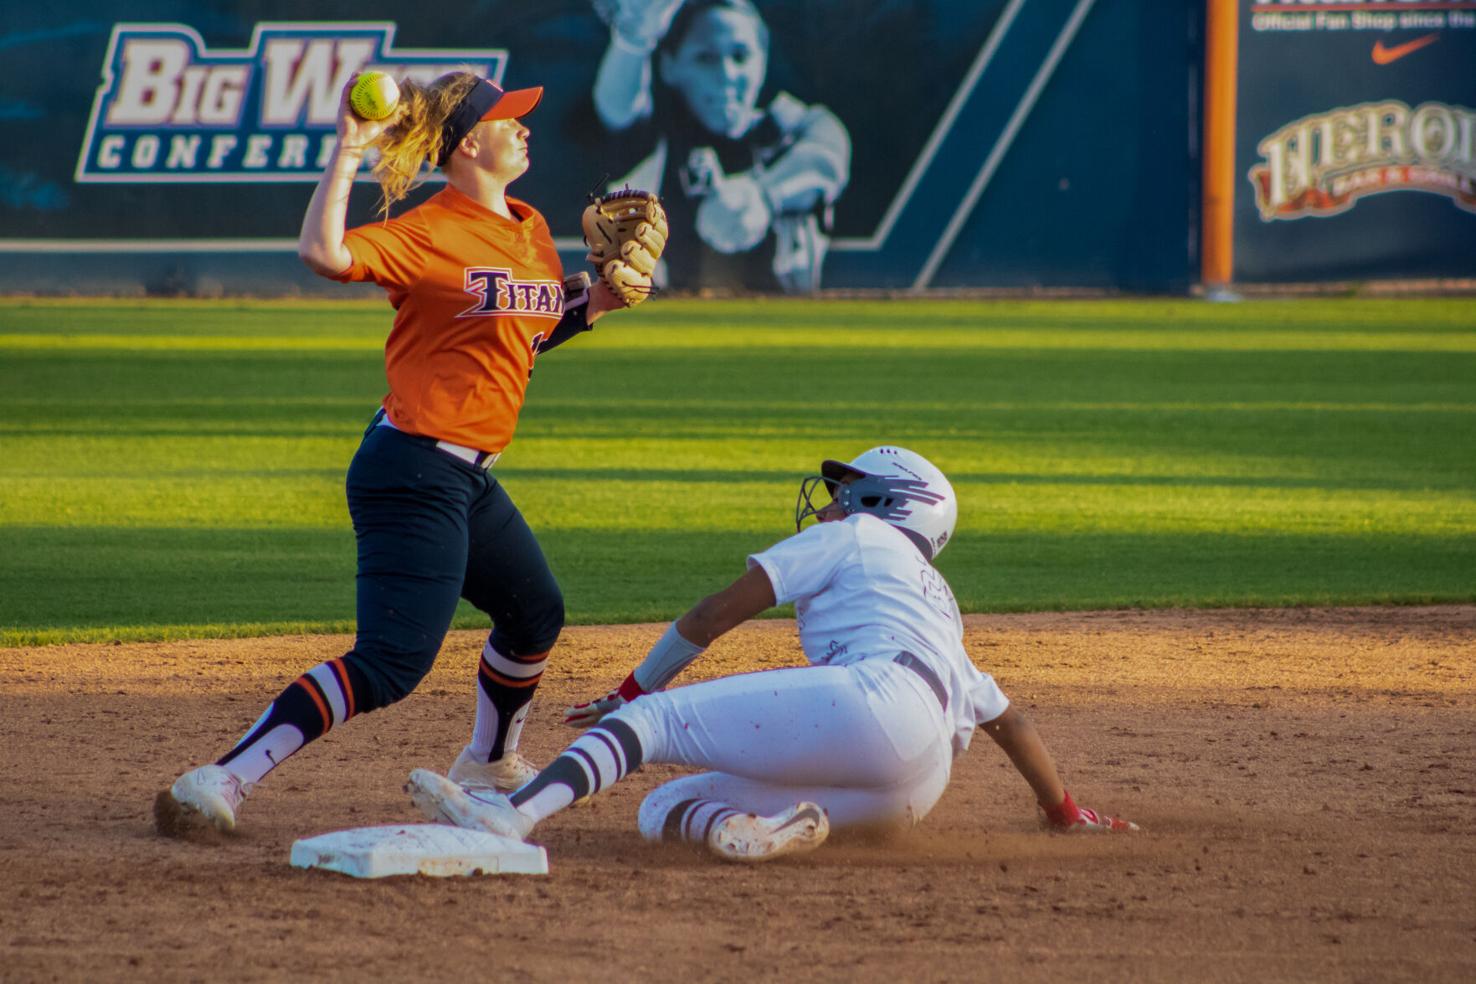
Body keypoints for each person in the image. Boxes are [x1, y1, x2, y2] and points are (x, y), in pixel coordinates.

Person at [155, 70, 636, 835]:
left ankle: (487, 762)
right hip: (411, 469)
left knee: (534, 612)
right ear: (470, 142)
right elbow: (325, 253)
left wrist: (599, 299)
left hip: (466, 478)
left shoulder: (531, 228)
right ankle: (221, 778)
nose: (525, 129)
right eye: (510, 120)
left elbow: (530, 331)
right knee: (391, 663)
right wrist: (348, 153)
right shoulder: (430, 231)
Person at [405, 446, 1139, 863]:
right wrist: (1063, 811)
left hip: (875, 703)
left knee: (651, 726)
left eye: (847, 488)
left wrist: (630, 693)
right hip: (917, 786)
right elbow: (1009, 723)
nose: (829, 498)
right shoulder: (937, 599)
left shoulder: (853, 537)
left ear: (888, 502)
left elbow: (711, 615)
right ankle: (762, 832)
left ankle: (510, 815)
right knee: (667, 804)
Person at [590, 0, 850, 293]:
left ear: (762, 61)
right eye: (705, 58)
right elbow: (617, 109)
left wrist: (763, 196)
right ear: (670, 67)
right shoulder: (660, 140)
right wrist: (633, 39)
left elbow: (826, 155)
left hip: (791, 320)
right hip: (674, 319)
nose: (727, 74)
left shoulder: (791, 127)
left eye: (741, 56)